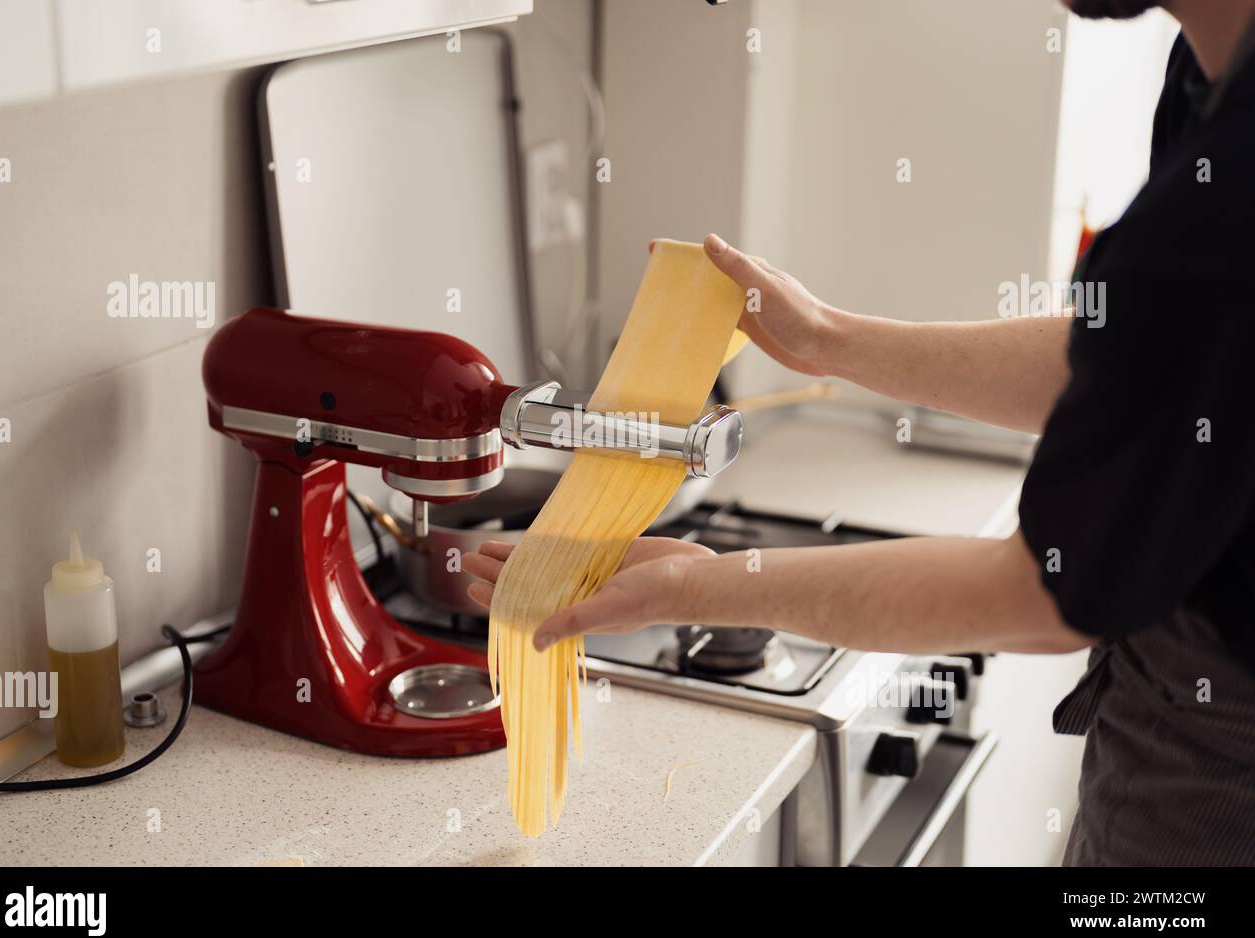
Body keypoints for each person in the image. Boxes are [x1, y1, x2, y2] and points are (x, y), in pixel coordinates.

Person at [464, 0, 1255, 866]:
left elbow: (1041, 595)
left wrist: (696, 587)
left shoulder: (1229, 188)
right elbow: (1132, 360)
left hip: (1221, 767)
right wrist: (829, 342)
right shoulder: (1205, 73)